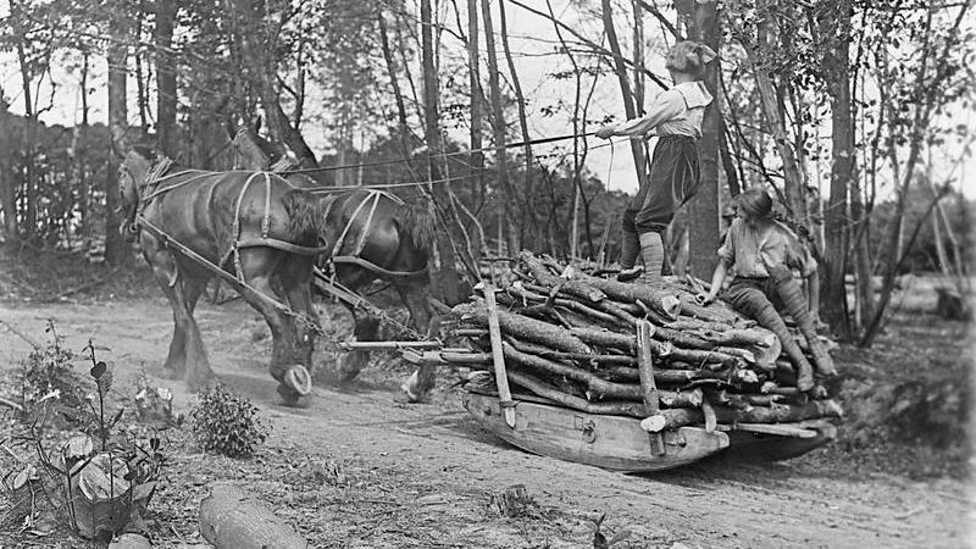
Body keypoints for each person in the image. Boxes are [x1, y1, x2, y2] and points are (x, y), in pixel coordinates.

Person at [595, 40, 717, 283]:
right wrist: (655, 131)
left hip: (674, 156)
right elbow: (680, 124)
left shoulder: (675, 96)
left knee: (649, 221)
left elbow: (645, 122)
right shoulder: (696, 93)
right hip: (678, 153)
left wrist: (613, 129)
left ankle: (653, 285)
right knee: (633, 214)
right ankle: (626, 271)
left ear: (676, 68)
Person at [696, 188, 837, 392]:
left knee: (781, 273)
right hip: (743, 288)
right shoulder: (737, 227)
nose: (737, 214)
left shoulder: (782, 235)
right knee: (756, 298)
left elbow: (811, 270)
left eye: (742, 211)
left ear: (754, 215)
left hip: (773, 288)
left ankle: (814, 343)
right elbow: (724, 264)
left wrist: (814, 311)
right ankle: (802, 364)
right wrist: (711, 293)